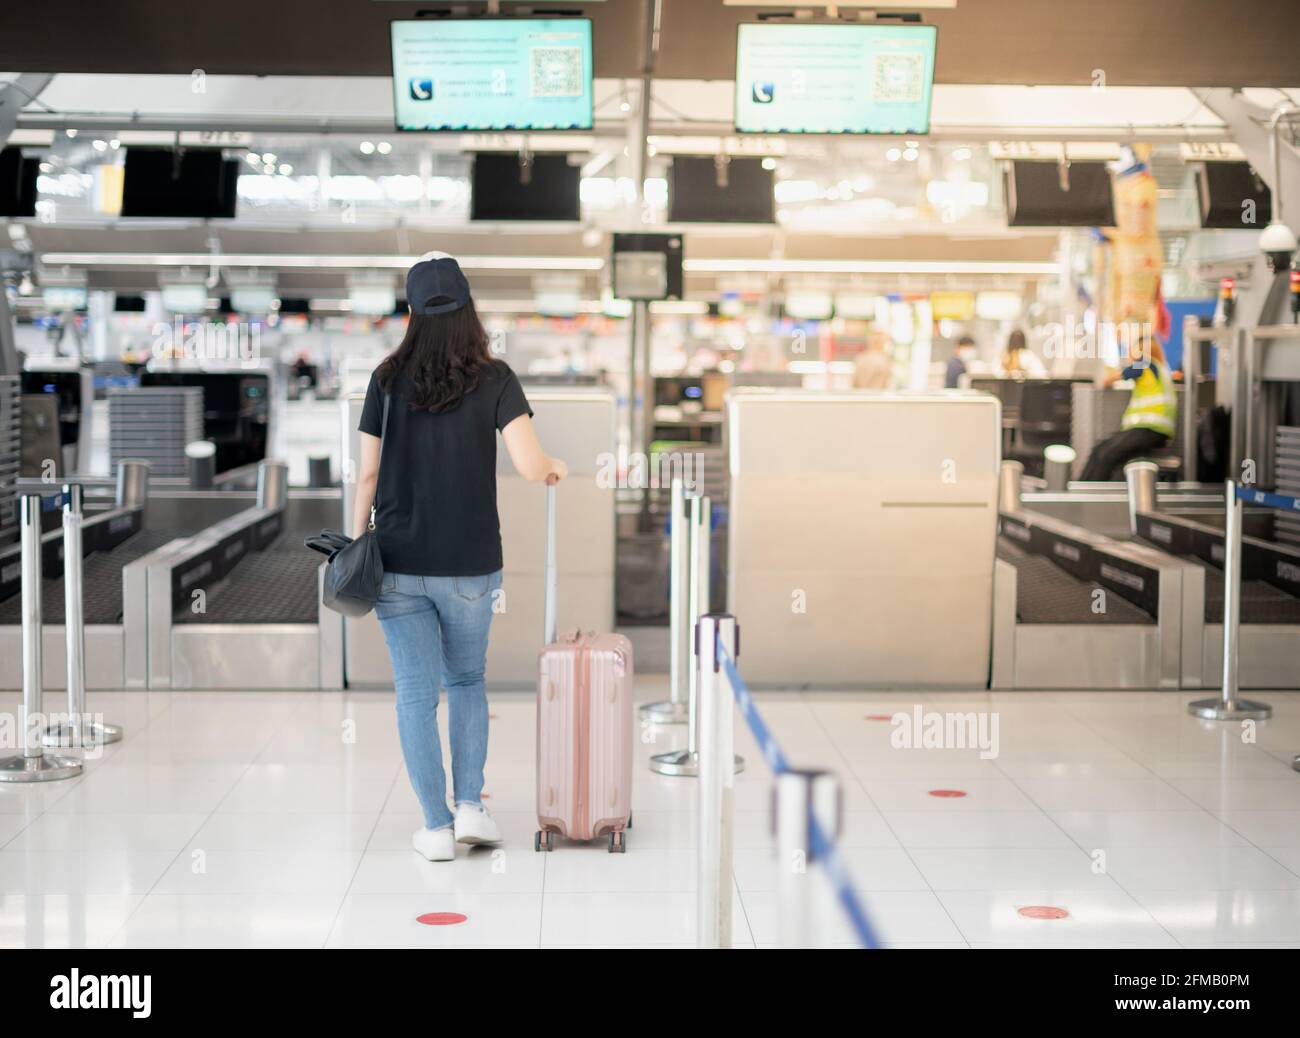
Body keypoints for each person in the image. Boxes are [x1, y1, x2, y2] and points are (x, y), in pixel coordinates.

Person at [353, 253, 567, 862]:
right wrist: (556, 466)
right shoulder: (495, 378)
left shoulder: (385, 379)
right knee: (467, 679)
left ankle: (436, 827)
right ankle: (471, 805)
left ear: (412, 313)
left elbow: (367, 472)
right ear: (470, 310)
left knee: (416, 696)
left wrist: (354, 542)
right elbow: (531, 465)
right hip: (471, 563)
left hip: (396, 561)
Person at [1079, 336, 1177, 481]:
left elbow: (1109, 378)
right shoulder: (1161, 370)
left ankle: (1084, 496)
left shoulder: (1144, 363)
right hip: (1157, 431)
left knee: (1104, 454)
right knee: (1101, 451)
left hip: (1146, 429)